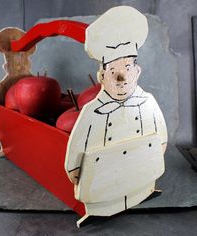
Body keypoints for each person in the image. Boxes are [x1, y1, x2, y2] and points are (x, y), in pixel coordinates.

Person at [64, 6, 168, 226]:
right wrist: (74, 170)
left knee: (142, 177)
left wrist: (159, 149)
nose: (121, 77)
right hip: (102, 181)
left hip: (142, 172)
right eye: (113, 71)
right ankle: (97, 211)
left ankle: (145, 189)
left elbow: (162, 134)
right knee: (102, 189)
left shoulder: (147, 102)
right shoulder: (92, 112)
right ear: (102, 76)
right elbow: (77, 148)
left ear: (137, 72)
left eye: (128, 68)